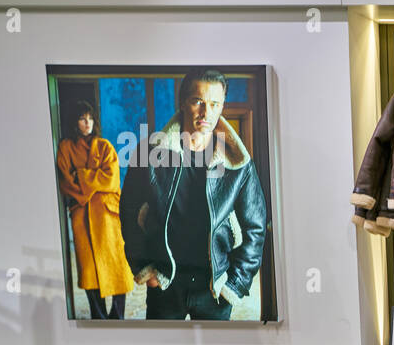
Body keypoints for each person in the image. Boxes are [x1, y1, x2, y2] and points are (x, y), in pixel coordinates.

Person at [121, 69, 268, 320]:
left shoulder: (238, 163)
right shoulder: (148, 154)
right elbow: (128, 212)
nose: (206, 112)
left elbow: (256, 229)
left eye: (214, 104)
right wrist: (144, 267)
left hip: (214, 288)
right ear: (182, 102)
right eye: (197, 101)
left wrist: (234, 284)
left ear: (222, 106)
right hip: (165, 282)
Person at [55, 101, 134, 319]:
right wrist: (91, 181)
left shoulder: (104, 146)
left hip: (108, 216)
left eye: (90, 118)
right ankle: (98, 317)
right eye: (82, 118)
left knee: (117, 267)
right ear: (75, 122)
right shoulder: (66, 148)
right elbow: (65, 181)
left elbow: (111, 179)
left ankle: (117, 316)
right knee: (89, 270)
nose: (87, 123)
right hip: (82, 215)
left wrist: (81, 175)